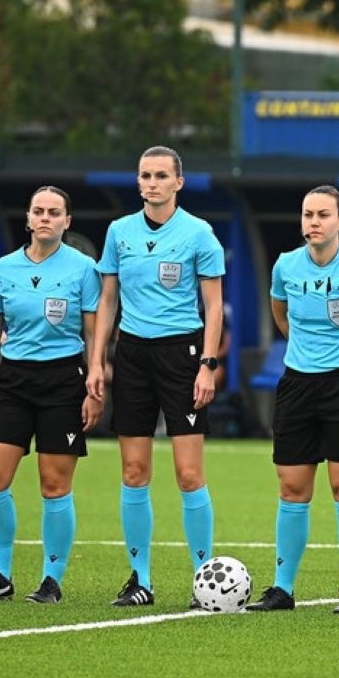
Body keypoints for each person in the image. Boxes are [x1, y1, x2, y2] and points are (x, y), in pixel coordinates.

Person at [245, 185, 339, 615]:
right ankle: (282, 589)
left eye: (322, 215)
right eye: (307, 214)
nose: (313, 222)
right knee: (292, 488)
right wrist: (301, 345)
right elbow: (280, 310)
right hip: (296, 386)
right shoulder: (286, 265)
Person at [88, 145, 224, 608]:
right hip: (131, 355)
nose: (152, 183)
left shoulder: (199, 234)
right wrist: (97, 360)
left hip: (182, 355)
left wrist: (208, 364)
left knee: (188, 474)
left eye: (161, 175)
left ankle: (203, 580)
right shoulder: (118, 232)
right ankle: (140, 578)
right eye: (145, 175)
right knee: (133, 471)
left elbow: (213, 307)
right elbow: (107, 300)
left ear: (178, 182)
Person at [0, 186, 102, 603]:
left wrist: (96, 381)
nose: (45, 217)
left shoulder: (84, 269)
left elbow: (95, 330)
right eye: (38, 211)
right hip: (12, 380)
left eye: (54, 212)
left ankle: (51, 580)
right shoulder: (3, 269)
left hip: (64, 380)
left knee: (54, 484)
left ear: (66, 222)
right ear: (28, 219)